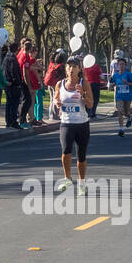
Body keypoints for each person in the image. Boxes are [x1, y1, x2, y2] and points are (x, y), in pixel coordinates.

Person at [54, 55, 93, 194]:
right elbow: (56, 98)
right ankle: (67, 179)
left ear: (79, 69)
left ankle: (82, 183)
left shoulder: (84, 83)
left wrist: (82, 93)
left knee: (81, 155)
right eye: (69, 66)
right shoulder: (60, 84)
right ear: (65, 69)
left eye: (74, 67)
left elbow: (90, 104)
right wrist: (57, 103)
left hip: (81, 123)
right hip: (66, 123)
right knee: (66, 151)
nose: (71, 69)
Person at [110, 54, 132, 137]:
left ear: (125, 66)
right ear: (117, 66)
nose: (121, 66)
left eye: (123, 64)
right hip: (119, 96)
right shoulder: (115, 75)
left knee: (126, 113)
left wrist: (127, 83)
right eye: (120, 64)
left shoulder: (129, 74)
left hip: (128, 96)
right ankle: (121, 129)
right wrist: (112, 85)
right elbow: (113, 84)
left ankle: (130, 117)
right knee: (120, 112)